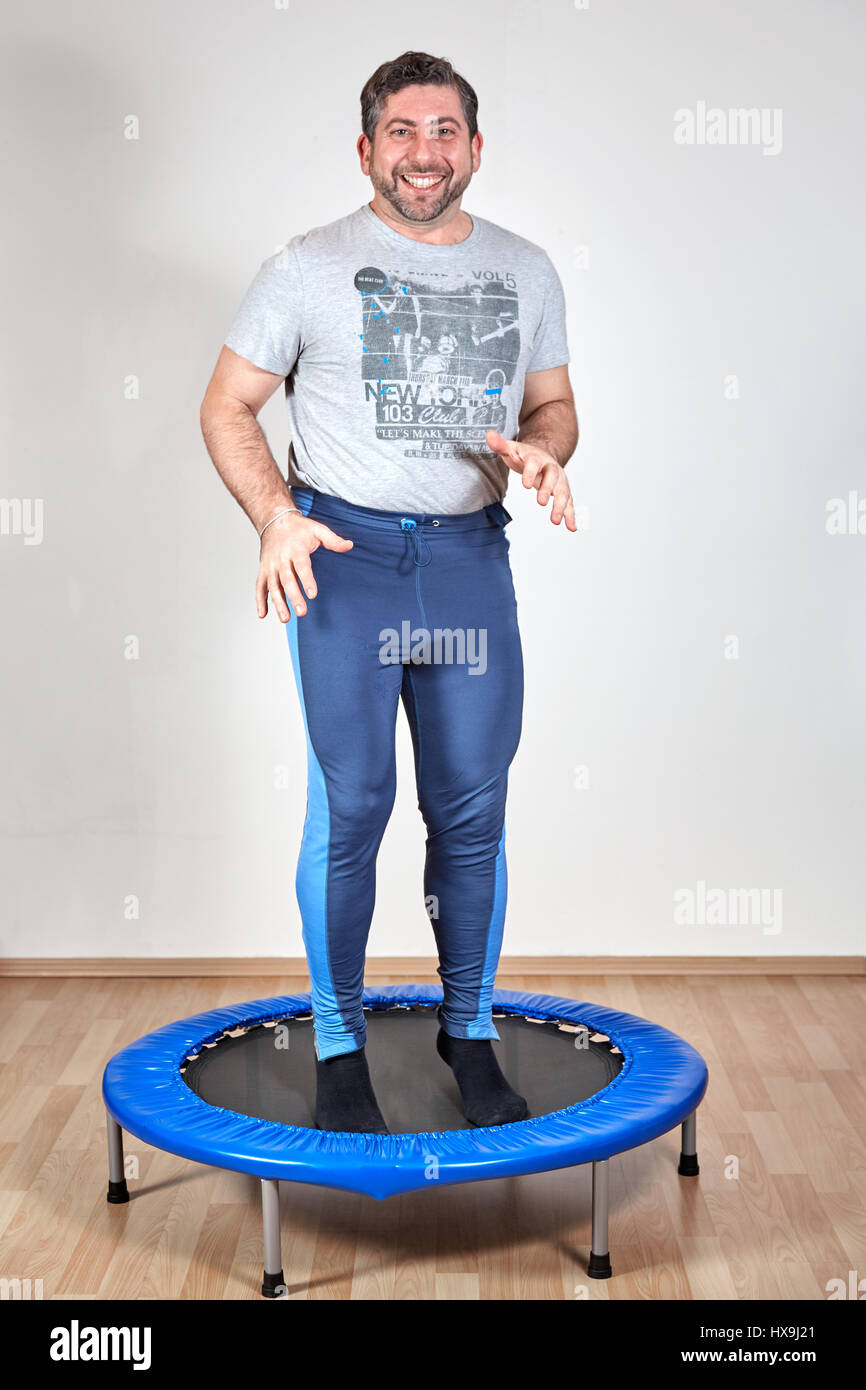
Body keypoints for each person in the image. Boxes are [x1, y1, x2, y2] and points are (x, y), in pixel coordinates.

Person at [200, 50, 578, 1135]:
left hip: (466, 565)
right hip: (347, 564)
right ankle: (335, 1044)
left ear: (474, 147)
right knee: (353, 804)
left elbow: (554, 406)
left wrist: (546, 453)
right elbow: (226, 406)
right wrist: (276, 515)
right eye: (402, 132)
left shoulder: (527, 269)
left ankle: (468, 1030)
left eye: (444, 130)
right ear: (366, 149)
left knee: (470, 808)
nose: (424, 152)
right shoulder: (306, 265)